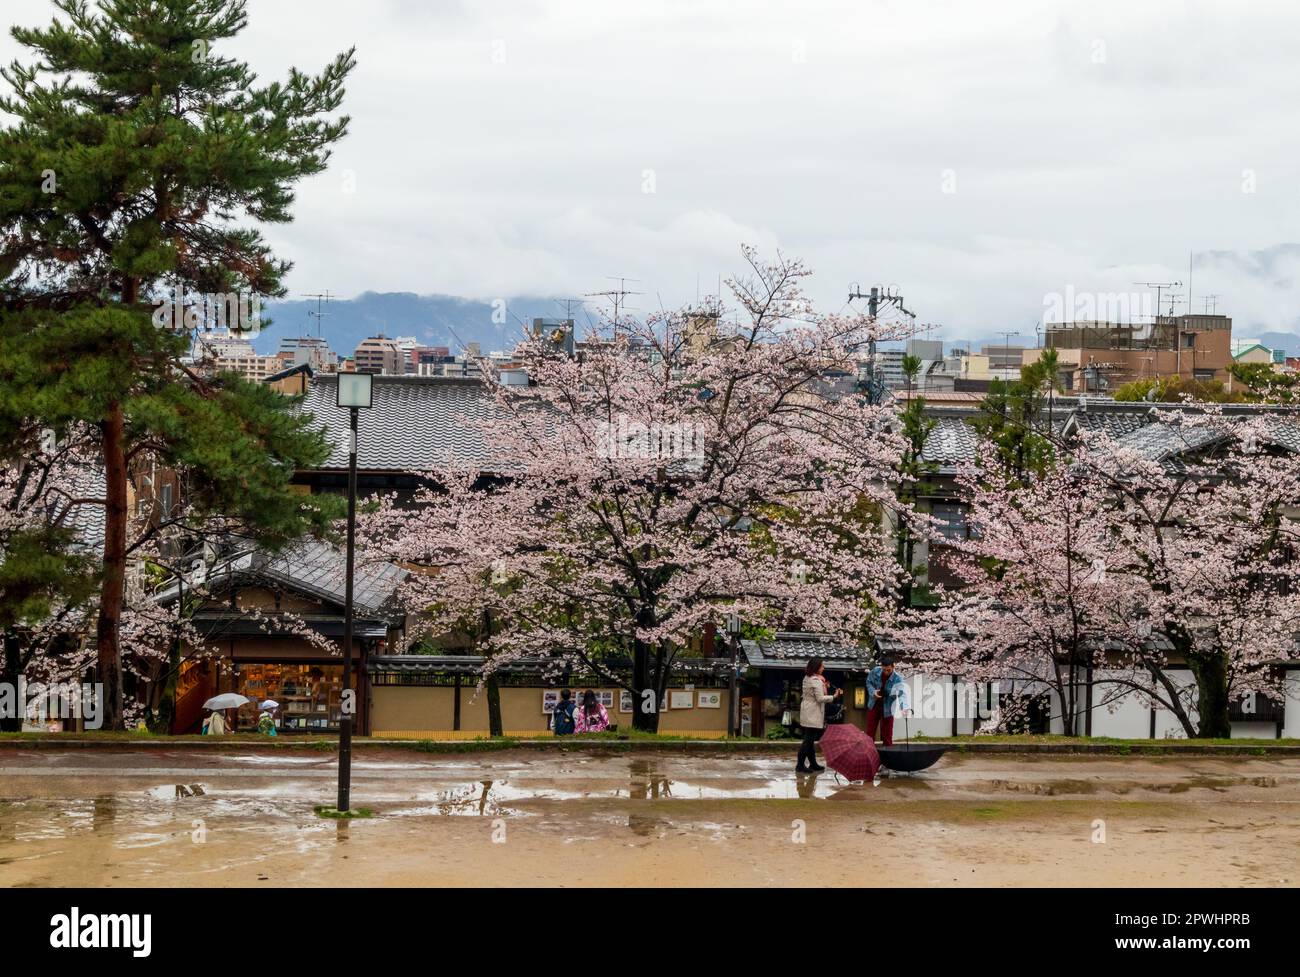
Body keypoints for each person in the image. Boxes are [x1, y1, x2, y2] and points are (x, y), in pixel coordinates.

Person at [797, 657, 841, 773]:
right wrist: (834, 696)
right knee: (808, 740)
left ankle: (813, 763)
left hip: (808, 710)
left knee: (810, 740)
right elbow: (820, 698)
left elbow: (814, 693)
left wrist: (823, 687)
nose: (823, 668)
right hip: (813, 712)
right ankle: (800, 765)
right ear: (816, 667)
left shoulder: (808, 677)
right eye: (822, 666)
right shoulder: (816, 680)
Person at [866, 656, 907, 746]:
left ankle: (888, 755)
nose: (886, 672)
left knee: (887, 734)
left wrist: (904, 708)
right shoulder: (875, 671)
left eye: (888, 670)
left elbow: (902, 694)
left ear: (893, 667)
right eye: (884, 669)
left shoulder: (898, 678)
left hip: (888, 706)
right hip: (874, 704)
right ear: (881, 667)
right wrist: (873, 692)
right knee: (870, 732)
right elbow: (868, 682)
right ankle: (870, 752)